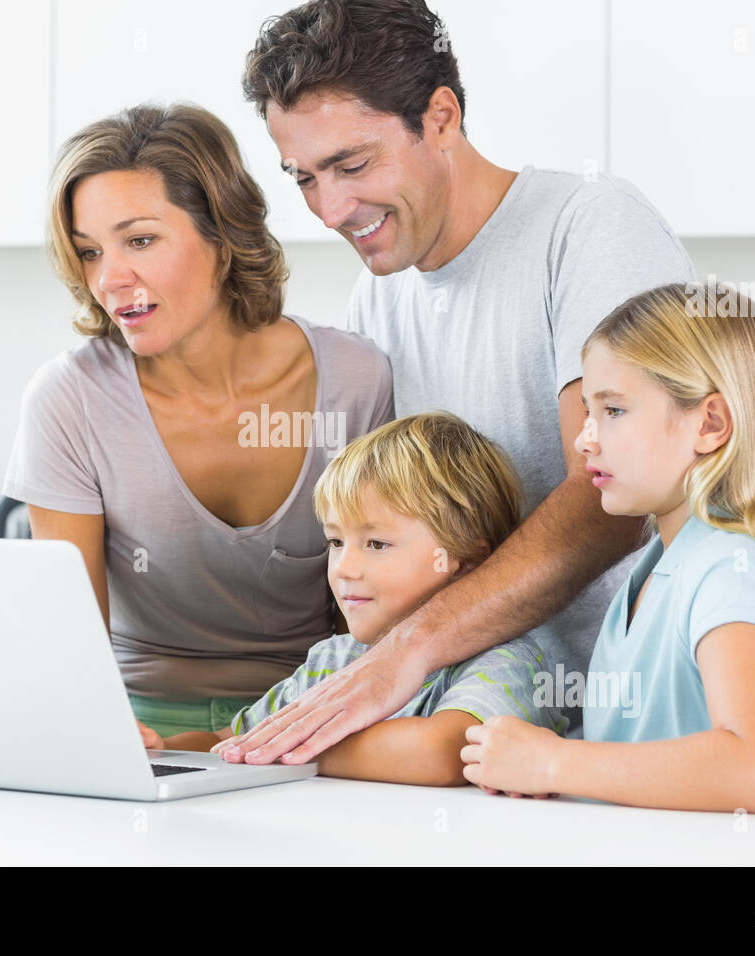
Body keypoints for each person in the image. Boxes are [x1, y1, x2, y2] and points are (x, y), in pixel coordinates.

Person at [220, 0, 696, 764]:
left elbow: (616, 501)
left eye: (353, 164)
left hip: (618, 735)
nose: (332, 209)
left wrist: (408, 653)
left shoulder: (589, 228)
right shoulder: (380, 295)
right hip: (472, 737)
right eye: (304, 177)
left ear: (440, 117)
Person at [2, 102, 393, 739]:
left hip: (311, 720)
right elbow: (69, 640)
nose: (110, 278)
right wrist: (103, 731)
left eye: (140, 240)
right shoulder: (69, 400)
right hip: (139, 726)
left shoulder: (356, 381)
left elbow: (378, 616)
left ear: (222, 236)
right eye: (89, 252)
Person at [461, 283, 755, 812]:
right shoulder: (656, 568)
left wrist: (554, 761)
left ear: (709, 424)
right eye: (586, 412)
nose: (585, 439)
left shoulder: (727, 572)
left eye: (614, 411)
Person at [140, 412, 567, 786]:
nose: (344, 567)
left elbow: (443, 754)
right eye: (336, 541)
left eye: (377, 543)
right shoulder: (333, 660)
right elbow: (232, 741)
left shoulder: (507, 661)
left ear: (469, 559)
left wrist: (294, 751)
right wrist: (161, 747)